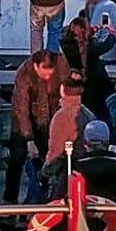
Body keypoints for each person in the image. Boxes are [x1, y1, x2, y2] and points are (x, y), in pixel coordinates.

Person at [8, 51, 68, 202]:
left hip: (51, 119)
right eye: (44, 72)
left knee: (47, 161)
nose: (47, 76)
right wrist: (28, 139)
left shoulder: (61, 66)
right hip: (26, 121)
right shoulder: (24, 74)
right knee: (17, 158)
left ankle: (40, 198)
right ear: (36, 66)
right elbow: (21, 108)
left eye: (50, 72)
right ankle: (10, 198)